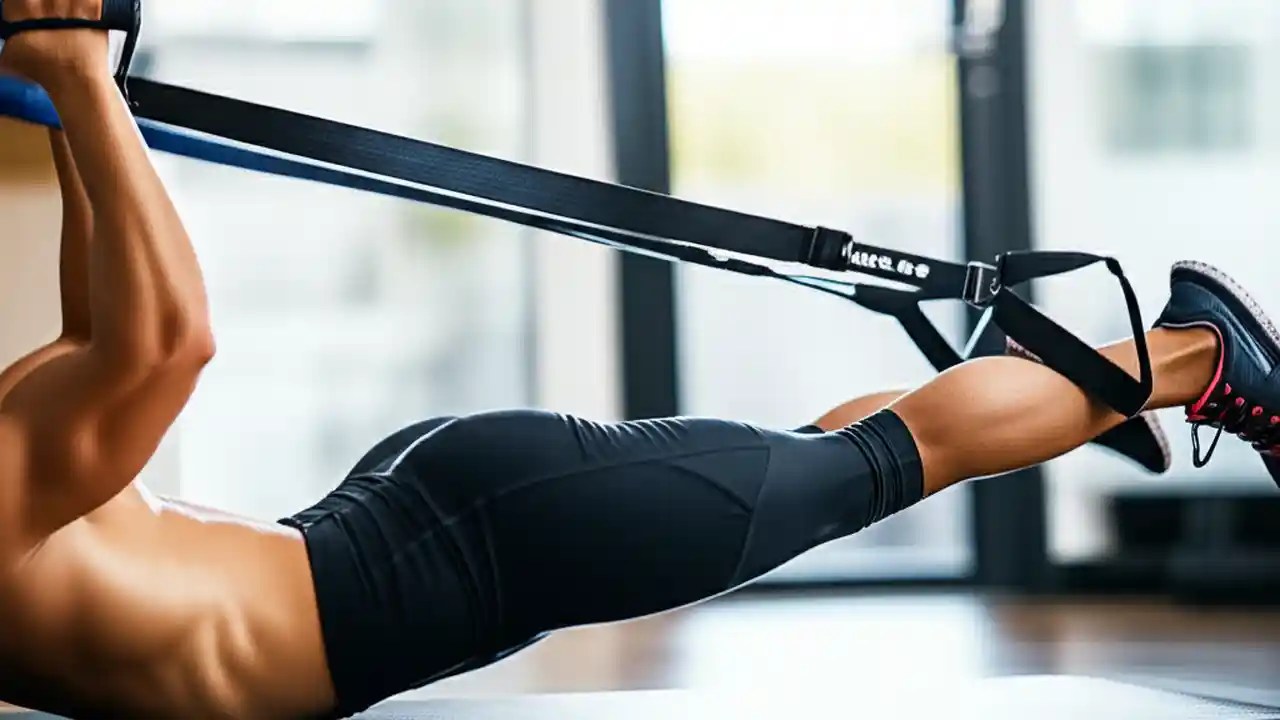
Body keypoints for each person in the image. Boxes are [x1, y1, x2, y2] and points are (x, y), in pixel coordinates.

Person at [0, 4, 1276, 719]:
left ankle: (1191, 355)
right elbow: (98, 346)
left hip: (466, 549)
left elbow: (156, 342)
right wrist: (76, 98)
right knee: (842, 458)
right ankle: (1055, 396)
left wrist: (71, 75)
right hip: (419, 527)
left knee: (892, 463)